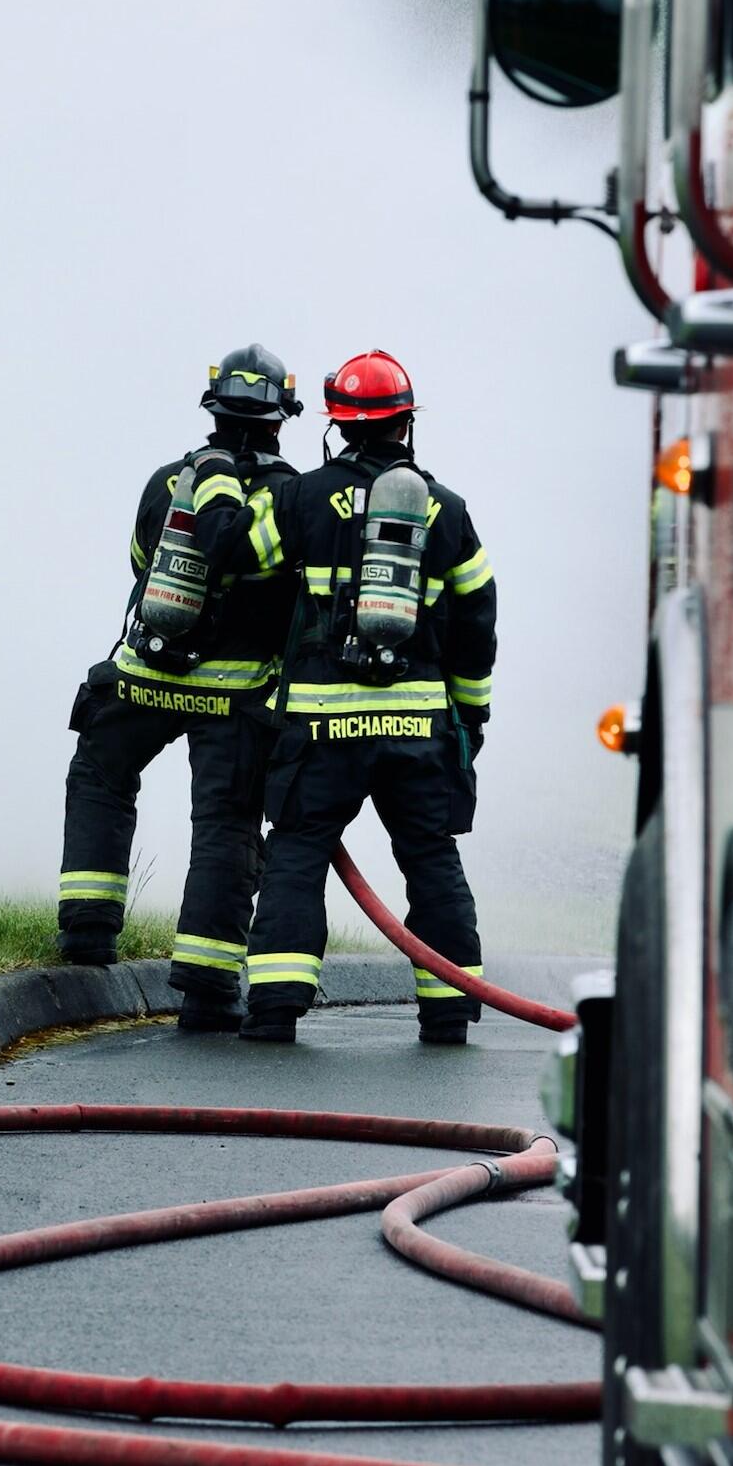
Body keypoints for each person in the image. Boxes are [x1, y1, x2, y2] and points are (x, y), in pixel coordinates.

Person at [192, 348, 496, 1044]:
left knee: (298, 849)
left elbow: (232, 552)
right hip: (415, 724)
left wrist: (213, 478)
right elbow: (476, 619)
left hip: (321, 727)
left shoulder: (300, 497)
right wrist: (468, 717)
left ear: (336, 425)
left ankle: (273, 1004)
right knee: (430, 856)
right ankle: (448, 1006)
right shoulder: (447, 510)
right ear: (406, 424)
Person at [56, 343, 302, 1033]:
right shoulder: (289, 496)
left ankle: (86, 933)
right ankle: (205, 984)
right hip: (234, 695)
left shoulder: (168, 480)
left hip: (146, 680)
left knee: (100, 776)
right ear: (281, 418)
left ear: (213, 410)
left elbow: (141, 564)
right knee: (224, 825)